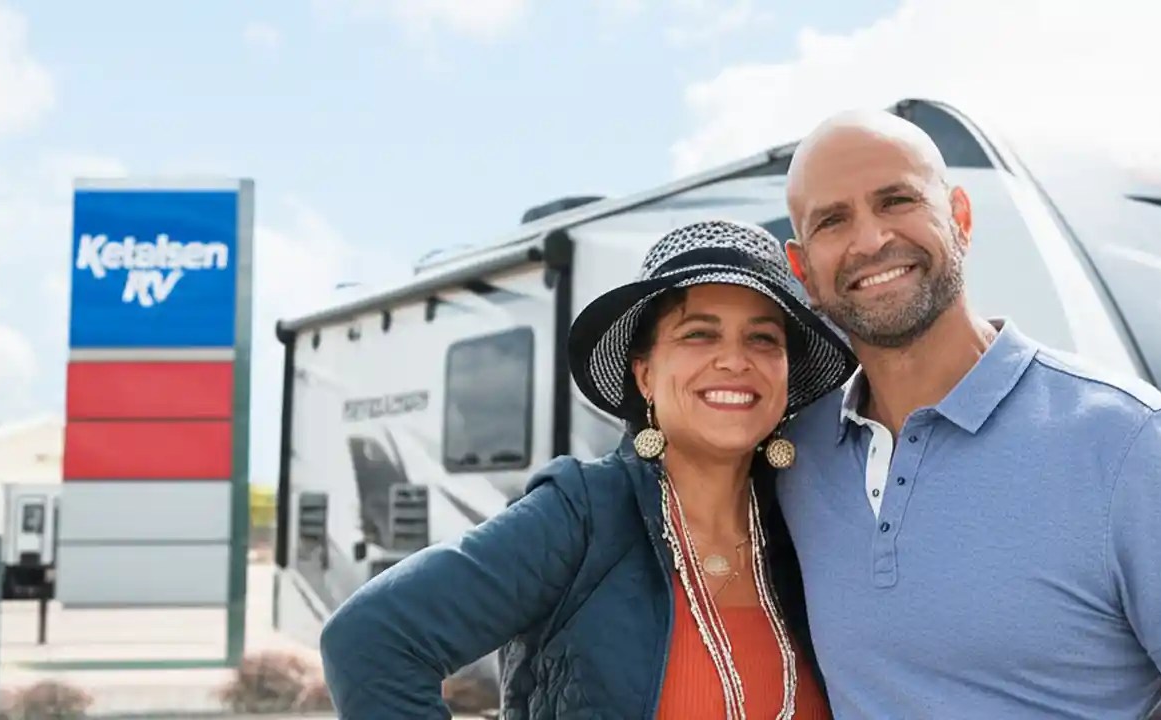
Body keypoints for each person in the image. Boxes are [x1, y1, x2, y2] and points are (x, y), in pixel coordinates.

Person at [775, 108, 1161, 719]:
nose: (871, 240)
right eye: (833, 220)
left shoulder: (1122, 436)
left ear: (960, 217)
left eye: (897, 200)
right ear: (803, 269)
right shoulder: (796, 456)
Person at [318, 219, 858, 718]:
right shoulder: (582, 511)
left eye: (763, 338)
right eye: (699, 333)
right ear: (644, 374)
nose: (736, 361)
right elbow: (371, 639)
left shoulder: (808, 524)